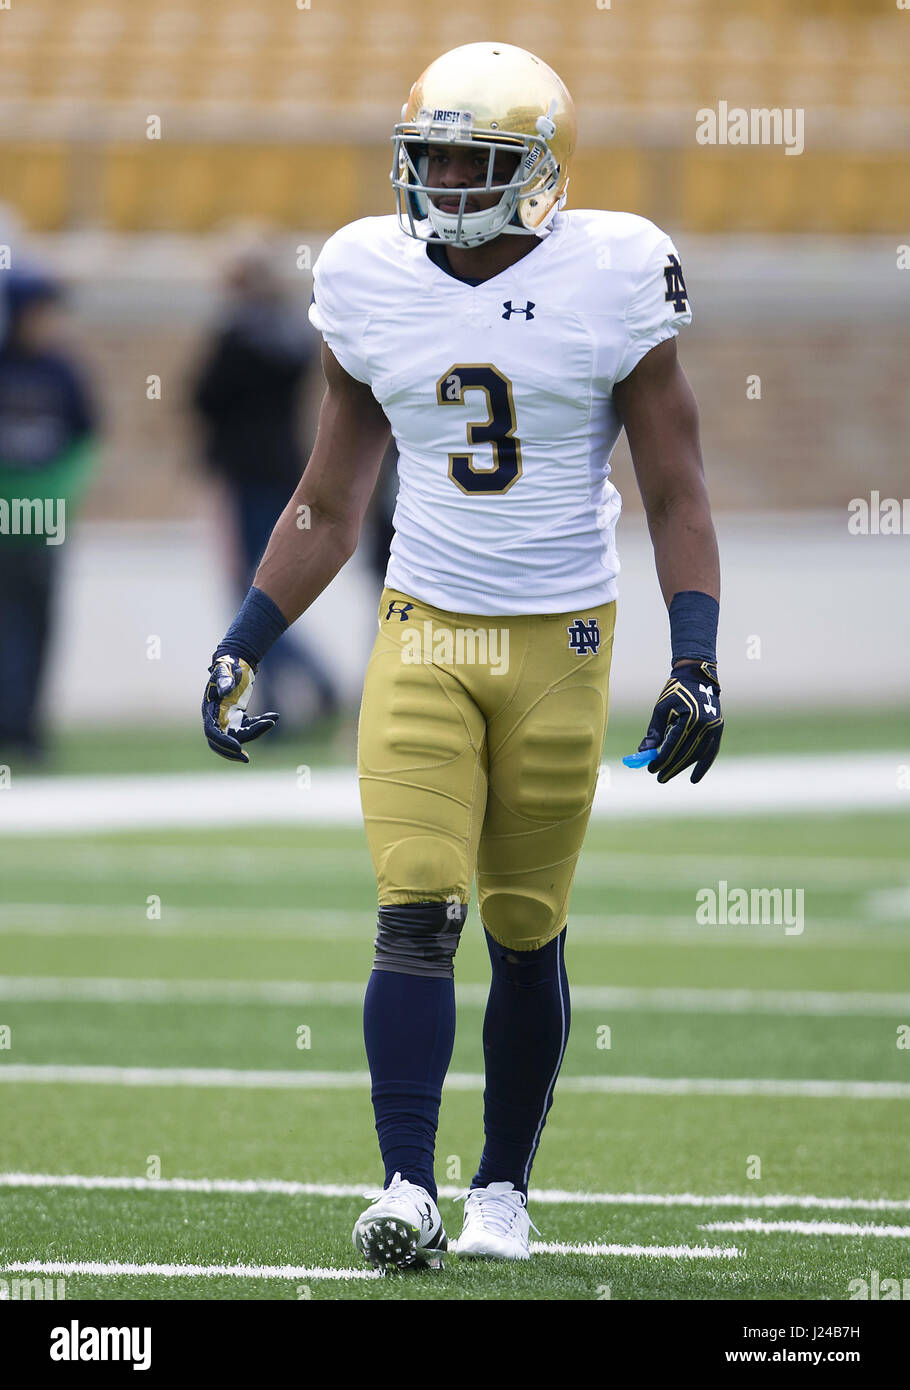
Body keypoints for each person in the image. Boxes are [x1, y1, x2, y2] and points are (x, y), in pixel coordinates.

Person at [201, 42, 724, 1270]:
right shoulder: (367, 272)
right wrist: (243, 641)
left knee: (525, 926)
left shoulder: (614, 269)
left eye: (467, 158)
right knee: (413, 911)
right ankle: (403, 1182)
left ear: (536, 172)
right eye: (425, 153)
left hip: (562, 637)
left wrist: (695, 658)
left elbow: (675, 483)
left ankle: (501, 1189)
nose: (438, 179)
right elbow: (329, 500)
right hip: (424, 627)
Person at [192, 240, 340, 723]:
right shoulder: (292, 335)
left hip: (242, 478)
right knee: (270, 585)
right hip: (282, 471)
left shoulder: (235, 338)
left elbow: (203, 398)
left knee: (251, 593)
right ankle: (281, 696)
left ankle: (308, 681)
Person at [0, 267, 98, 763]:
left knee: (40, 624)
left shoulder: (60, 370)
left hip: (44, 521)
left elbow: (85, 440)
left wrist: (60, 493)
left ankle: (28, 729)